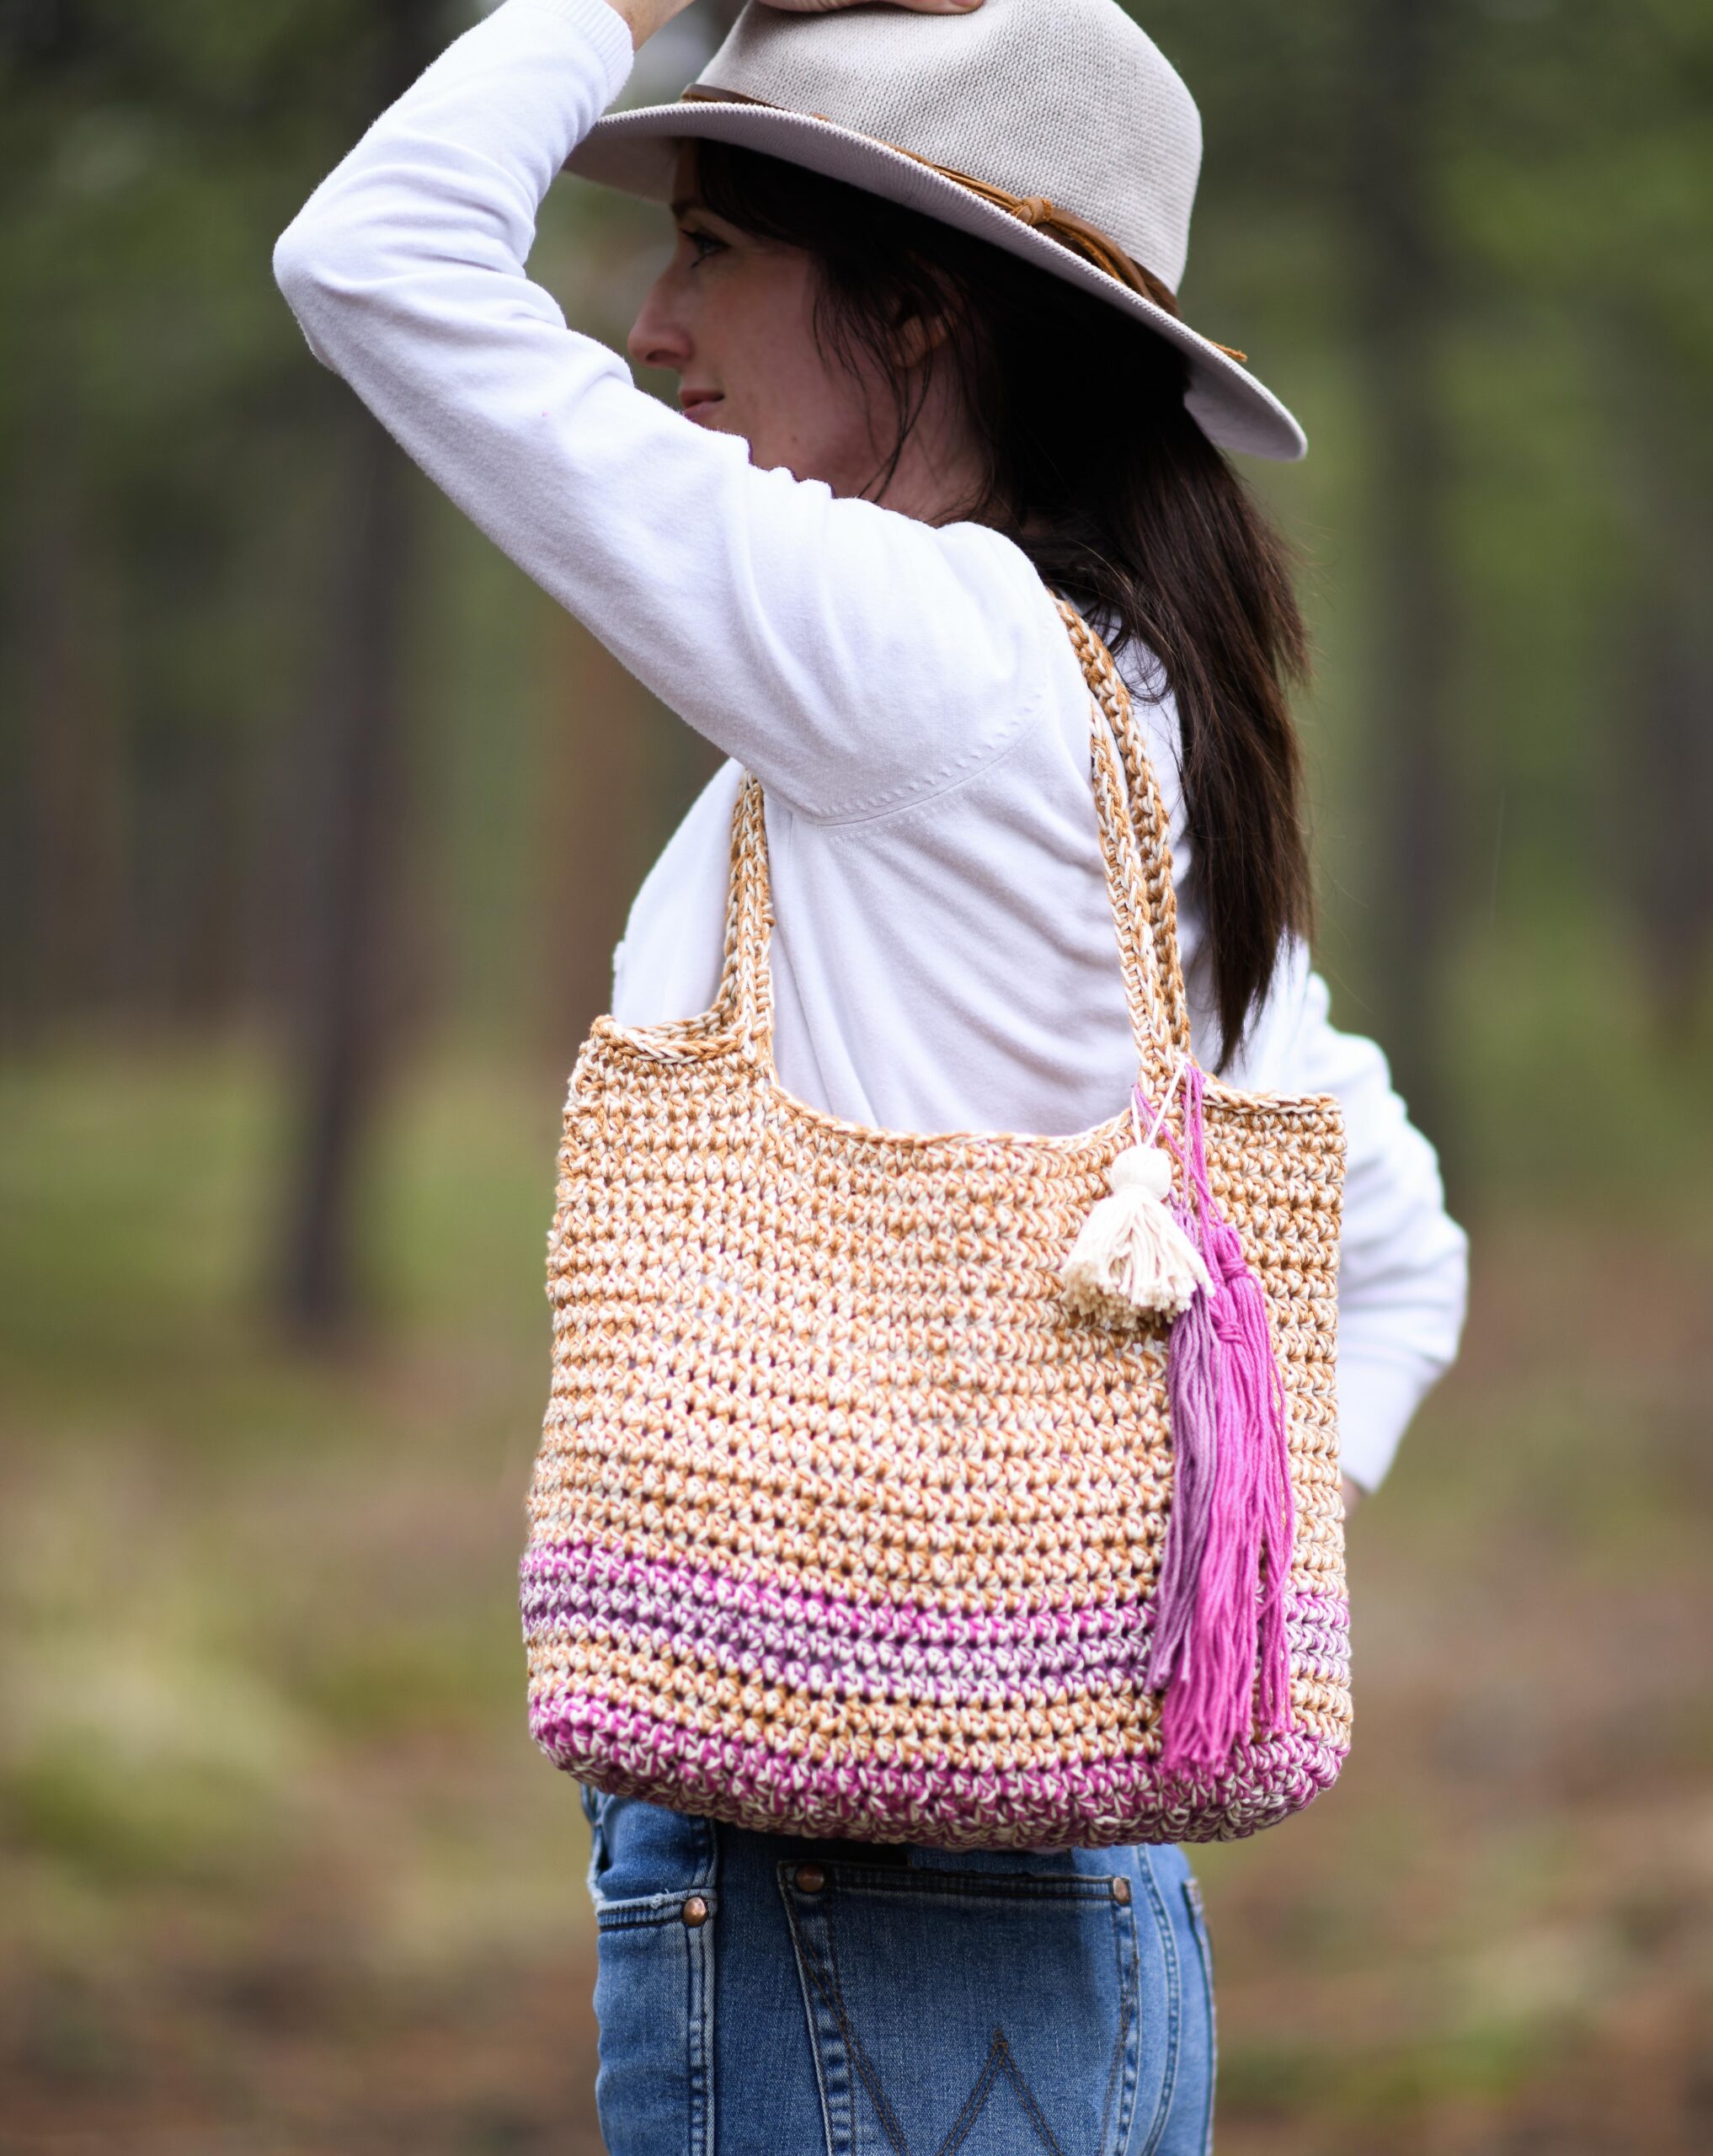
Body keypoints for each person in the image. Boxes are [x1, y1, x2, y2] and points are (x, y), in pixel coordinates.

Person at [275, 0, 1468, 2147]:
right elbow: (1400, 1234)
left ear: (919, 314)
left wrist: (627, 7)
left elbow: (380, 261)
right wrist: (1158, 1597)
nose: (649, 327)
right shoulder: (1141, 719)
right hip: (1087, 1911)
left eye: (714, 245)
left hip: (865, 1916)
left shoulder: (928, 660)